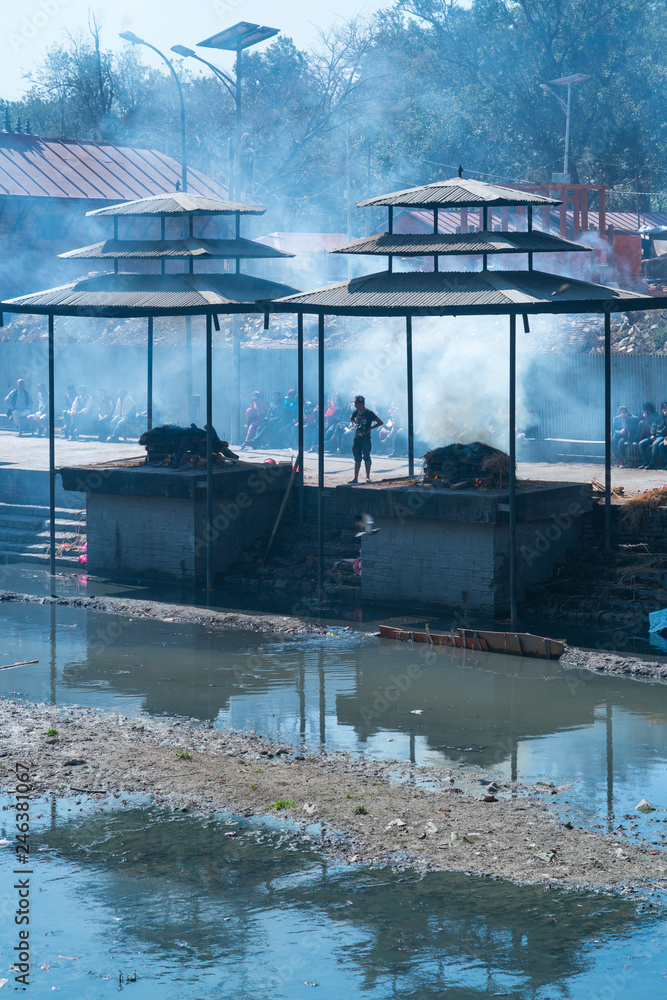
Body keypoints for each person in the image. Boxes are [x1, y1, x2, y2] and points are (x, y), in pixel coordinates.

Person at [349, 394, 383, 484]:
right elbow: (351, 418)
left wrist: (370, 429)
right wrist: (355, 424)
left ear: (361, 403)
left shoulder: (369, 413)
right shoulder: (356, 412)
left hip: (365, 438)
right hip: (357, 437)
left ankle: (368, 477)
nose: (355, 405)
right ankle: (355, 478)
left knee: (366, 457)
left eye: (356, 403)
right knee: (357, 458)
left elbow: (380, 422)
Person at [641, 401, 667, 469]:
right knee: (641, 443)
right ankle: (645, 463)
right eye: (664, 408)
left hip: (664, 437)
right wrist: (652, 434)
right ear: (662, 410)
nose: (665, 409)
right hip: (656, 435)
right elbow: (653, 426)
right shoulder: (658, 417)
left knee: (657, 444)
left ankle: (652, 463)